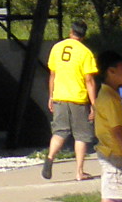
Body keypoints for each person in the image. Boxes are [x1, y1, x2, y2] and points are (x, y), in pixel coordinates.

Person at [40, 22, 98, 182]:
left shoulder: (57, 48)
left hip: (59, 96)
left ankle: (50, 157)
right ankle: (79, 172)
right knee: (81, 135)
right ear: (84, 35)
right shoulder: (85, 52)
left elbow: (52, 74)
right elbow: (89, 81)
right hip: (78, 98)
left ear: (71, 31)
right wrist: (94, 104)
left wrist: (51, 96)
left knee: (59, 131)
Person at [91, 55, 122, 200]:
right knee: (114, 195)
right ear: (111, 71)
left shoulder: (108, 94)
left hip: (111, 151)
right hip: (114, 153)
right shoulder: (109, 98)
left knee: (114, 193)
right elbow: (116, 130)